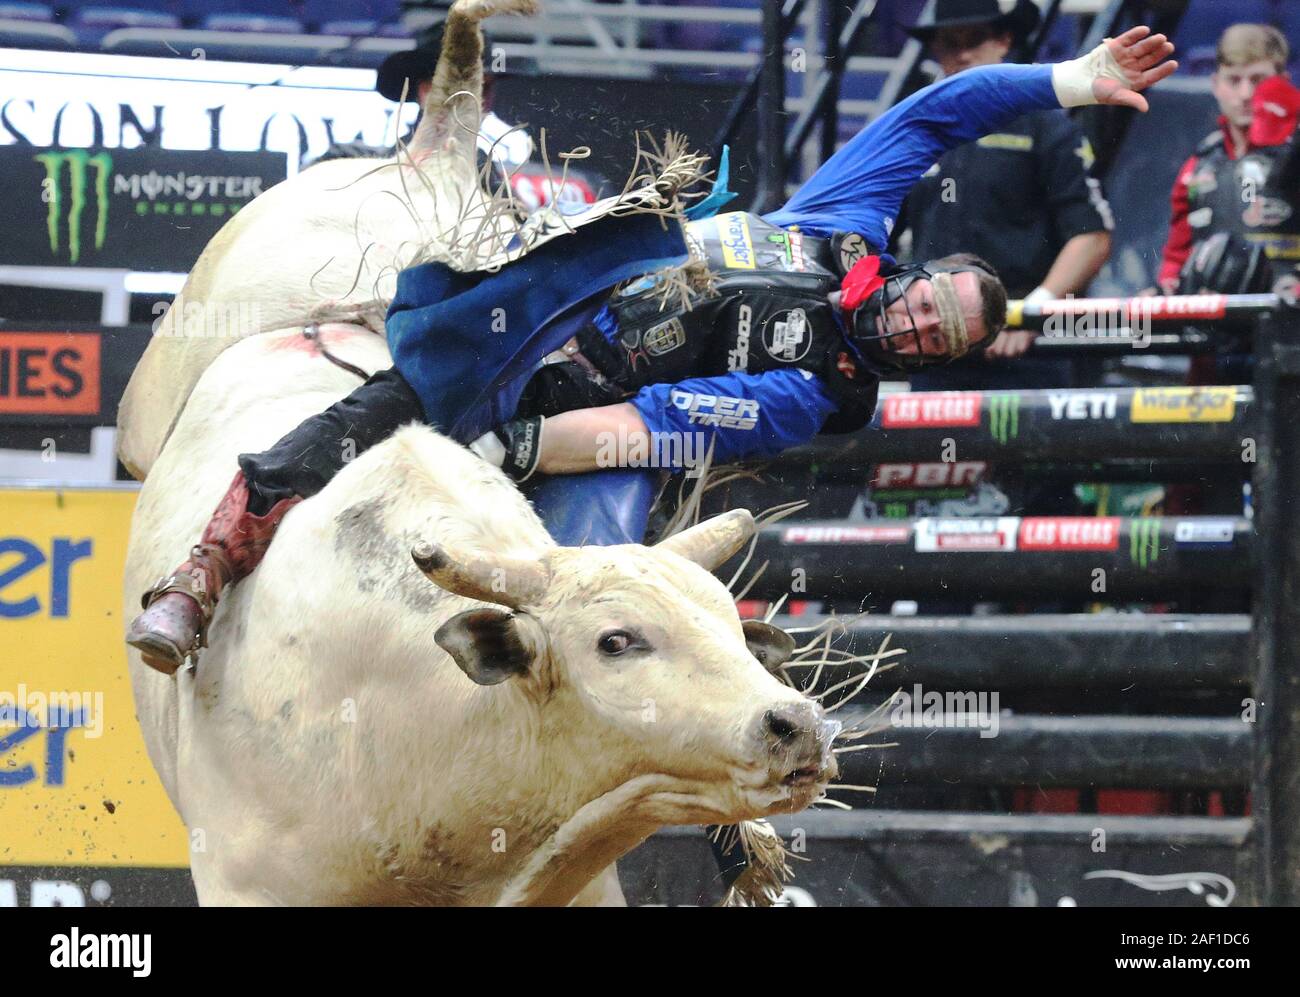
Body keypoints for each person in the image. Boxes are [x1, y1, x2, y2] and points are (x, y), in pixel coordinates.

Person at [126, 27, 1178, 674]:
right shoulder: (846, 223)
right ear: (910, 273)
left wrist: (518, 445)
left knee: (604, 604)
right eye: (924, 304)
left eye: (933, 339)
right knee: (381, 402)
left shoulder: (822, 393)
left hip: (587, 402)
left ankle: (709, 815)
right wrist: (1071, 81)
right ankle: (203, 568)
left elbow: (659, 427)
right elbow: (935, 110)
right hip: (560, 291)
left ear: (930, 358)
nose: (913, 324)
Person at [896, 0, 1113, 369]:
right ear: (935, 49)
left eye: (975, 39)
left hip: (1024, 346)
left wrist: (1031, 311)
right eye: (950, 42)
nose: (963, 54)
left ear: (1004, 41)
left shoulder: (1046, 127)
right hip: (935, 341)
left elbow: (1091, 237)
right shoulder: (914, 129)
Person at [310, 21, 600, 211]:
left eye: (485, 86)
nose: (478, 98)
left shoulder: (482, 170)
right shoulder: (344, 164)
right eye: (463, 85)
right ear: (425, 90)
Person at [1156, 23, 1299, 298]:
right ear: (1216, 85)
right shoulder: (1197, 167)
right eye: (1234, 80)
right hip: (1215, 322)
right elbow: (1176, 259)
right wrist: (1164, 290)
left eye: (1258, 80)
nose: (1245, 94)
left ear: (1283, 81)